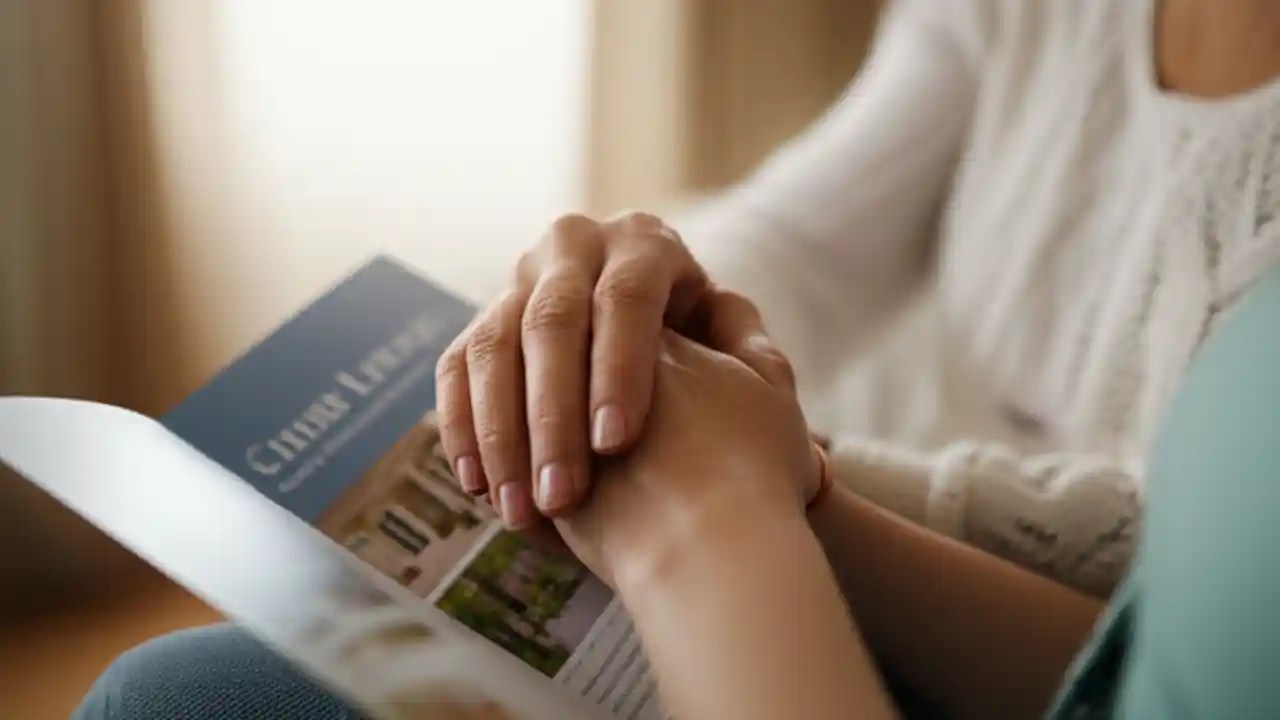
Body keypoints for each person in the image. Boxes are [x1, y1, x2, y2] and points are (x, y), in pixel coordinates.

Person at [77, 0, 1280, 717]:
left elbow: (1201, 594)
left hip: (955, 614)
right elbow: (806, 235)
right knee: (182, 689)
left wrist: (749, 483)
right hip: (825, 547)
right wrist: (640, 291)